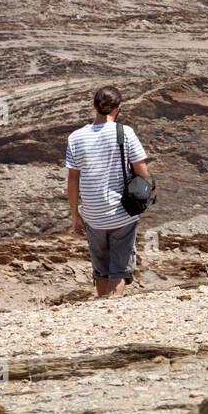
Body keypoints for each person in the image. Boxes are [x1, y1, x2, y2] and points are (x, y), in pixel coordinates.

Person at [66, 85, 151, 295]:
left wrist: (75, 215)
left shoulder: (76, 137)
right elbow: (143, 173)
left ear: (94, 106)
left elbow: (73, 180)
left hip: (93, 215)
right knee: (119, 270)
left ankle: (101, 309)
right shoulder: (125, 133)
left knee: (101, 269)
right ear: (118, 108)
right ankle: (111, 311)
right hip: (122, 214)